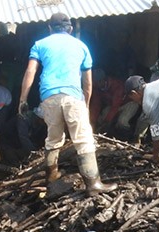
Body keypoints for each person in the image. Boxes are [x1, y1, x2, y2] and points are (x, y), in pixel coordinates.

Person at [18, 12, 117, 194]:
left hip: (48, 96)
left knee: (53, 138)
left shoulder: (40, 45)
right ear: (70, 29)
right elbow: (87, 82)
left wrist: (23, 99)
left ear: (49, 28)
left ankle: (51, 176)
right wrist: (85, 103)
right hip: (72, 95)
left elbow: (30, 71)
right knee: (83, 138)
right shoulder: (82, 46)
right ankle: (93, 184)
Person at [89, 68, 126, 134]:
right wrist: (92, 122)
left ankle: (126, 135)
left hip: (127, 103)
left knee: (122, 121)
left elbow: (115, 106)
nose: (95, 85)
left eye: (96, 82)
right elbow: (95, 105)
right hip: (112, 104)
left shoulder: (117, 85)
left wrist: (107, 121)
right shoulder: (97, 88)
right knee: (101, 119)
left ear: (103, 80)